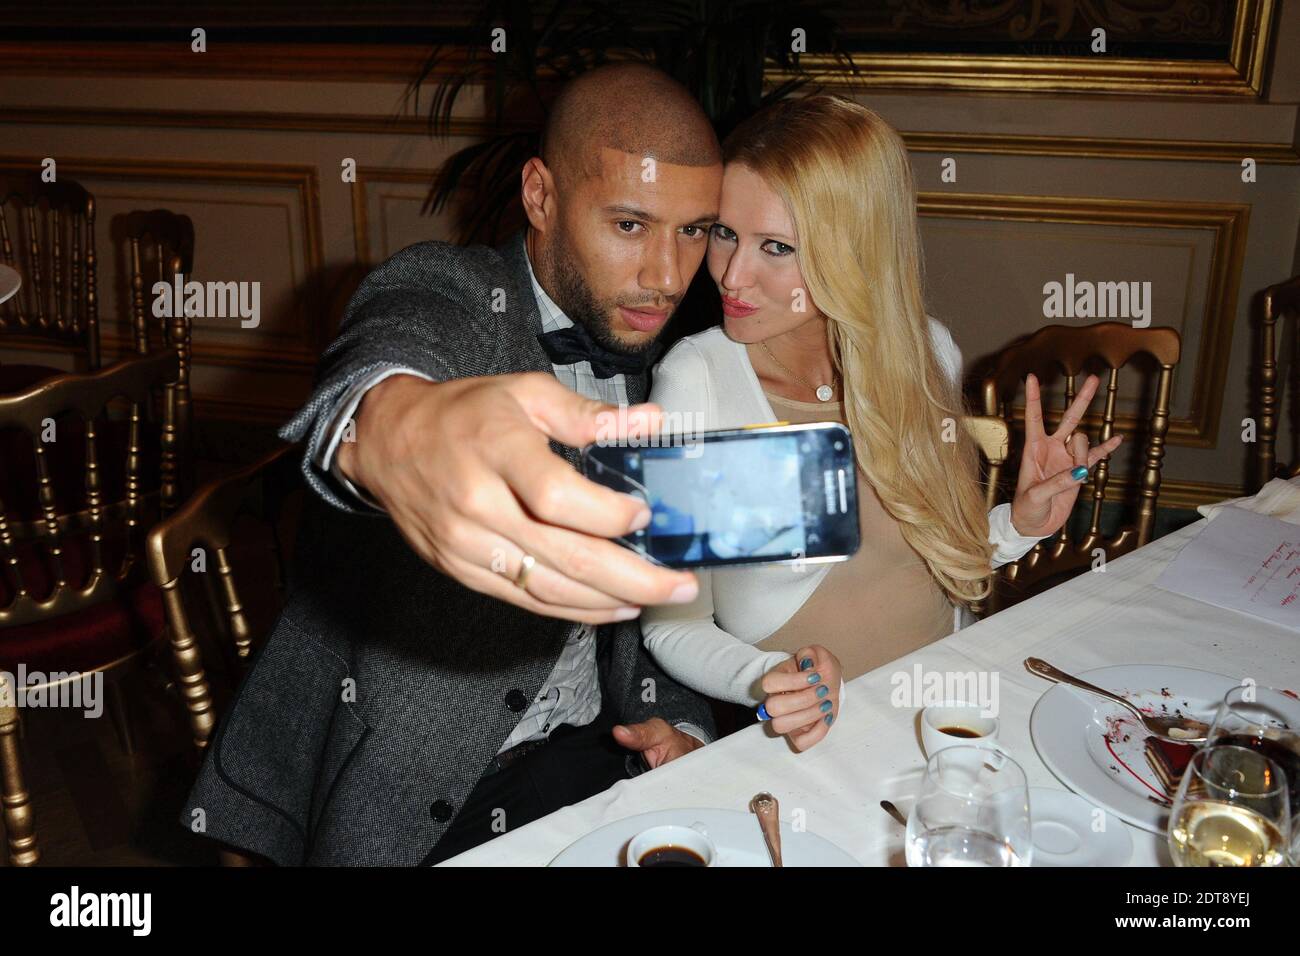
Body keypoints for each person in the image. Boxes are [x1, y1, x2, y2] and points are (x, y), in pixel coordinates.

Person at [182, 63, 727, 865]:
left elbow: (662, 604)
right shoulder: (459, 290)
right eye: (629, 226)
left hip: (595, 753)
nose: (668, 277)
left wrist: (678, 723)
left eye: (692, 231)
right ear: (539, 197)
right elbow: (398, 336)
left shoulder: (669, 365)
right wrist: (393, 421)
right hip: (404, 790)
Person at [641, 95, 1124, 752]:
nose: (732, 274)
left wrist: (1019, 524)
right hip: (811, 742)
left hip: (950, 710)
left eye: (776, 246)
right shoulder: (699, 381)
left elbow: (923, 560)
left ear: (856, 248)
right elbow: (672, 623)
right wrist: (769, 679)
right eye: (724, 232)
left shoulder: (926, 352)